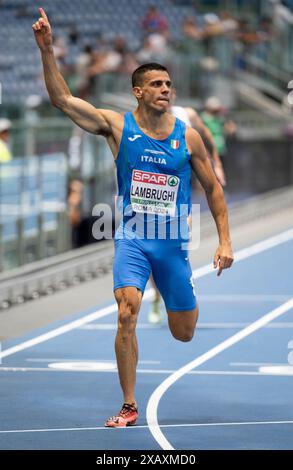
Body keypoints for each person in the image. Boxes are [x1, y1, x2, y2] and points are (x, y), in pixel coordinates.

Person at [33, 8, 234, 428]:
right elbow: (62, 100)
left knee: (184, 332)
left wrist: (224, 241)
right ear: (138, 92)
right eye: (156, 84)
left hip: (173, 242)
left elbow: (213, 189)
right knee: (127, 310)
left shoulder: (188, 136)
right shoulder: (117, 127)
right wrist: (47, 49)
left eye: (168, 84)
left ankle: (180, 292)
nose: (166, 89)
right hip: (133, 238)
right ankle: (129, 404)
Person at [148, 91, 226, 325]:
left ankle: (172, 290)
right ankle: (157, 293)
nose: (164, 94)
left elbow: (207, 136)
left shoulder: (186, 115)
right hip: (151, 196)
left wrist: (217, 163)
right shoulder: (145, 120)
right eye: (157, 87)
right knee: (152, 252)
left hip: (180, 194)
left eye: (168, 89)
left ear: (174, 94)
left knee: (175, 246)